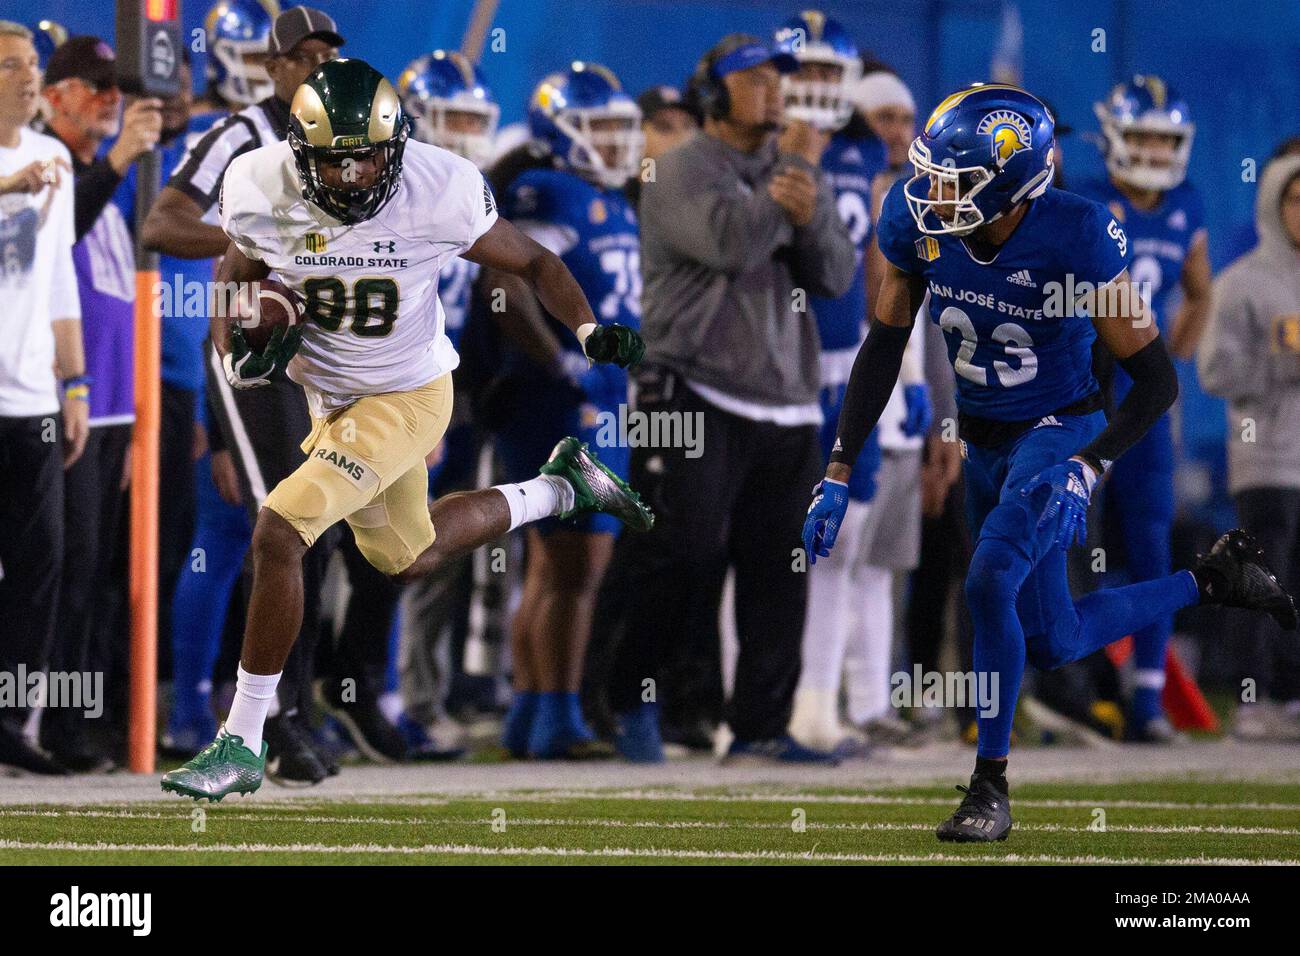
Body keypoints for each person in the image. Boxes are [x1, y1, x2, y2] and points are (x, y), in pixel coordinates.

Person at [805, 82, 1296, 843]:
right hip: (982, 435)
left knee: (990, 579)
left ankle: (989, 788)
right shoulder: (913, 220)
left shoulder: (1077, 234)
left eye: (954, 181)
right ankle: (1212, 579)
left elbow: (1158, 379)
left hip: (1059, 426)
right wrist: (837, 469)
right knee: (1054, 638)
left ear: (1011, 184)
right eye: (930, 173)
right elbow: (884, 345)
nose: (931, 194)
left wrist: (1087, 465)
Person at [160, 57, 650, 802]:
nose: (353, 176)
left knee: (278, 531)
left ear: (397, 146)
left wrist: (586, 331)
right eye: (335, 160)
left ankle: (242, 739)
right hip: (330, 398)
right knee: (408, 557)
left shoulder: (441, 188)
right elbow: (235, 271)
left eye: (368, 157)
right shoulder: (260, 185)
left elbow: (536, 260)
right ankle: (562, 487)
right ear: (300, 154)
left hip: (408, 392)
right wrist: (239, 351)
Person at [605, 34, 856, 764]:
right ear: (713, 91)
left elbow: (838, 274)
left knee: (782, 574)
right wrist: (797, 182)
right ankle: (630, 698)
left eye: (782, 78)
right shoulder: (677, 168)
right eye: (756, 79)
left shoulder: (798, 172)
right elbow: (730, 243)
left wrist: (807, 212)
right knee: (682, 553)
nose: (776, 90)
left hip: (787, 397)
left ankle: (759, 728)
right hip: (694, 384)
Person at [144, 5, 347, 784]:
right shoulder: (239, 136)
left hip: (331, 359)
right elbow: (163, 224)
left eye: (331, 53)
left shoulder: (352, 137)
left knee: (328, 533)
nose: (322, 67)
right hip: (254, 349)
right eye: (306, 56)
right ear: (274, 67)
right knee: (294, 530)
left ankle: (288, 711)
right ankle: (260, 720)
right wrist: (251, 239)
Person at [484, 62, 643, 760]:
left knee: (554, 566)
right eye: (600, 128)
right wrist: (563, 362)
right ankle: (557, 713)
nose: (613, 143)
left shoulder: (601, 195)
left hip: (592, 397)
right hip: (560, 401)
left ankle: (529, 710)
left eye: (619, 130)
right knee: (577, 564)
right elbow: (505, 280)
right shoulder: (543, 188)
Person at [1076, 75, 1211, 742]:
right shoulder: (1084, 199)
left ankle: (1148, 696)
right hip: (1086, 391)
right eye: (1144, 136)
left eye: (1166, 138)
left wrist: (1172, 358)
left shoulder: (1184, 206)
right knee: (1075, 538)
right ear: (1113, 138)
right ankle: (1078, 687)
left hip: (1147, 400)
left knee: (1153, 538)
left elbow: (1199, 291)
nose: (1155, 151)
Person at [39, 36, 161, 770]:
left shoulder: (100, 176)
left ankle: (77, 722)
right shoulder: (44, 167)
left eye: (119, 87)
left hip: (115, 405)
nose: (112, 100)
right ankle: (42, 722)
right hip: (61, 401)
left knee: (98, 575)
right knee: (59, 568)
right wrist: (116, 164)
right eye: (97, 86)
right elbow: (55, 243)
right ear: (55, 95)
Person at [0, 21, 82, 774]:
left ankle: (10, 720)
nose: (29, 77)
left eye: (32, 65)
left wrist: (76, 381)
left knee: (39, 565)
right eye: (11, 65)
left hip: (33, 399)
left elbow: (59, 279)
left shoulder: (54, 157)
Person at [1199, 153, 1300, 741]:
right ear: (1274, 204)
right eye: (1297, 200)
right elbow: (1213, 370)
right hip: (1265, 455)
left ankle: (1291, 695)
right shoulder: (1241, 281)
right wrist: (1280, 363)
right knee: (1264, 576)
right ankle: (1252, 697)